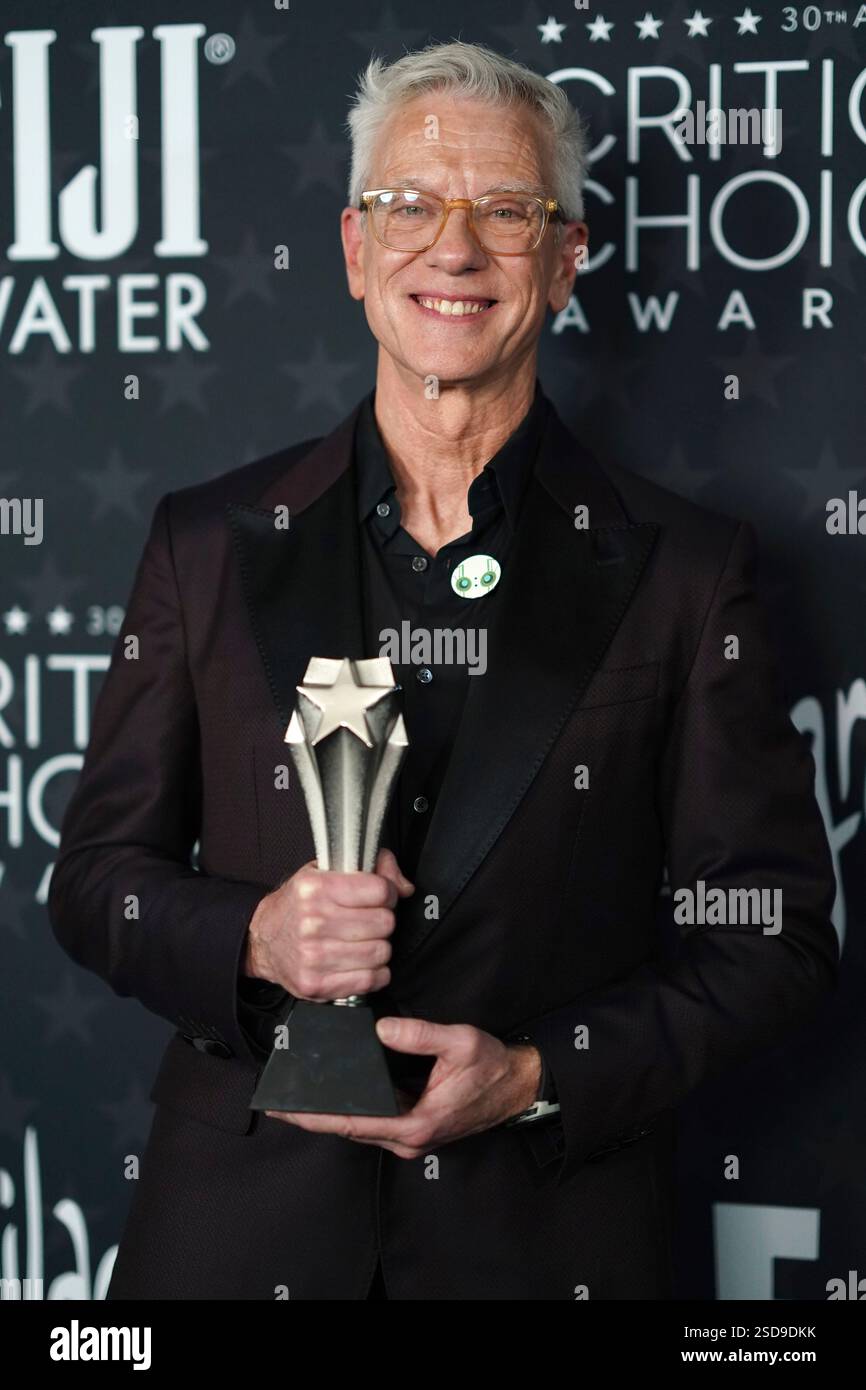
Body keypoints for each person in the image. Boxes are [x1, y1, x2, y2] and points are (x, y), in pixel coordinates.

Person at [49, 41, 837, 1301]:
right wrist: (252, 932)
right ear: (357, 249)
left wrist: (537, 1074)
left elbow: (776, 940)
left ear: (566, 262)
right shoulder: (205, 543)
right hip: (230, 1241)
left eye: (505, 212)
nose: (452, 249)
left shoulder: (689, 572)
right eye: (410, 205)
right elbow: (94, 882)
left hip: (539, 1245)